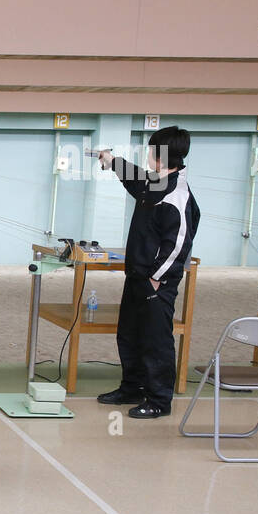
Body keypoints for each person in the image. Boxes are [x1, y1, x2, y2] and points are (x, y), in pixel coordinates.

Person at [94, 126, 199, 419]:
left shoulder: (177, 194)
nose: (149, 154)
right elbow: (136, 179)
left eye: (152, 150)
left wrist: (156, 278)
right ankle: (132, 388)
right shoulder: (157, 183)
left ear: (162, 155)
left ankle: (159, 400)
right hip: (137, 276)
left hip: (157, 282)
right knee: (130, 335)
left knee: (156, 341)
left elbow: (178, 244)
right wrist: (111, 160)